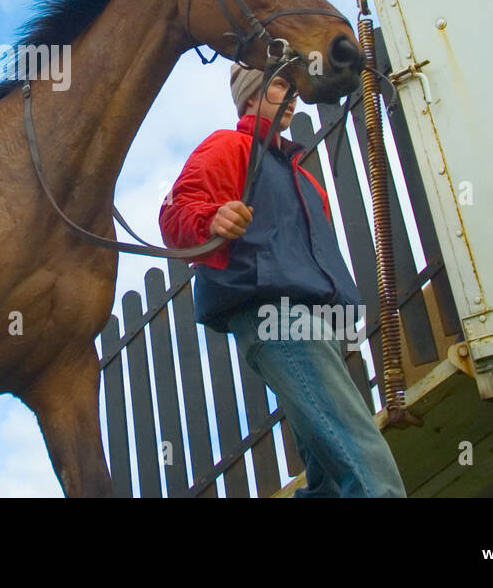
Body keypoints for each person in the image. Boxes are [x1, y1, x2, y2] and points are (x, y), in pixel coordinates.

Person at [158, 63, 406, 497]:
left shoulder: (303, 175)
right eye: (278, 84)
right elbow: (176, 212)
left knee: (329, 467)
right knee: (360, 450)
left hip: (318, 324)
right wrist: (211, 218)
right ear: (250, 97)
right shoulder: (230, 146)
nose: (291, 95)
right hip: (276, 315)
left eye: (294, 87)